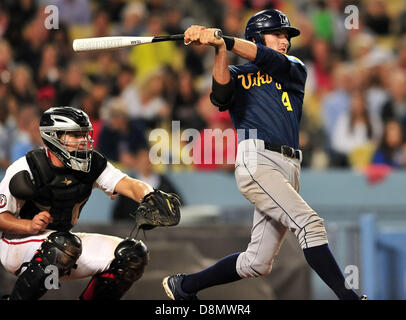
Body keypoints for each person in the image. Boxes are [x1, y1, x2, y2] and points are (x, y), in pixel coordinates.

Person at [162, 9, 365, 300]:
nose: (284, 40)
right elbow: (220, 97)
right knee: (310, 224)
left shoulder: (293, 66)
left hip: (289, 167)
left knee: (256, 262)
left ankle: (184, 286)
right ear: (257, 37)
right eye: (277, 34)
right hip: (258, 161)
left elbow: (268, 58)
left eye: (286, 35)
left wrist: (223, 39)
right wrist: (219, 48)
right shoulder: (237, 73)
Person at [0, 106, 179, 300]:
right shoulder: (26, 168)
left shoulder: (92, 163)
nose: (83, 141)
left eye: (84, 135)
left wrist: (149, 195)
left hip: (64, 246)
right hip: (16, 243)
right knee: (63, 246)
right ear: (53, 136)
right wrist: (29, 225)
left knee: (132, 255)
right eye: (75, 135)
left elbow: (127, 184)